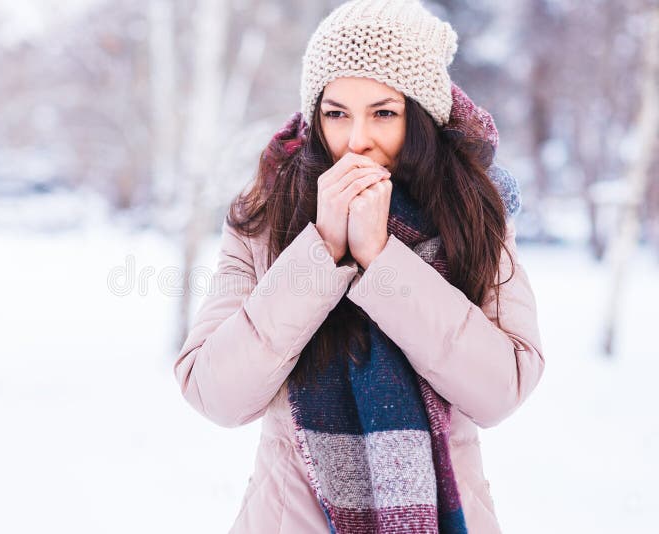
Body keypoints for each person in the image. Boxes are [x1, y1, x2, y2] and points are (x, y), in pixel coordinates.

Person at [173, 1, 545, 532]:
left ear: (420, 117)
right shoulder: (266, 215)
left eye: (383, 113)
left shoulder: (475, 216)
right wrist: (322, 249)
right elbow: (215, 395)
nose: (355, 140)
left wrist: (381, 260)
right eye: (336, 113)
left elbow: (501, 389)